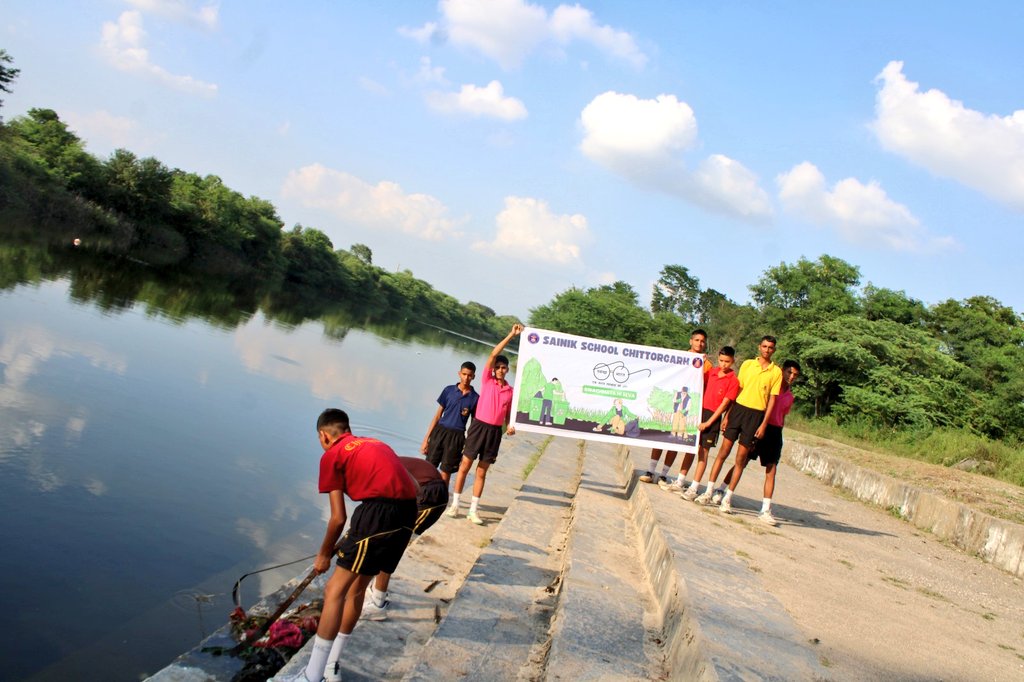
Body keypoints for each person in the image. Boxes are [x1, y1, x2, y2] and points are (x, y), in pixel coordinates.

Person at [275, 409, 418, 682]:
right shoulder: (376, 444)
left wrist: (323, 555)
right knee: (356, 590)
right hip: (407, 515)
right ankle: (332, 667)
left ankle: (311, 676)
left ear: (324, 436)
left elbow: (338, 517)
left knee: (334, 590)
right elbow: (415, 487)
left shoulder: (332, 455)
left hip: (377, 514)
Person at [695, 336, 782, 514]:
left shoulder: (776, 372)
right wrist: (727, 416)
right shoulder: (748, 365)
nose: (767, 350)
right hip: (738, 411)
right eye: (764, 346)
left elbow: (772, 400)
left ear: (774, 350)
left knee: (741, 459)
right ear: (759, 347)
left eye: (770, 347)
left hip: (756, 415)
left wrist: (764, 424)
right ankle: (708, 491)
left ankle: (727, 497)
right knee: (722, 453)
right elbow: (737, 390)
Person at [447, 323, 523, 525]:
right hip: (478, 427)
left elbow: (507, 413)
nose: (500, 370)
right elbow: (492, 355)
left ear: (507, 370)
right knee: (464, 466)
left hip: (494, 433)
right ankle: (455, 504)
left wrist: (509, 425)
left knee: (482, 471)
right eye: (497, 367)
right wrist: (511, 335)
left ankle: (473, 510)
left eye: (503, 367)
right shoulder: (487, 381)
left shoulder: (510, 390)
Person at [361, 455, 449, 620]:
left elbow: (378, 507)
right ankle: (377, 590)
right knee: (389, 543)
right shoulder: (381, 461)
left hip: (430, 495)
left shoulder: (377, 469)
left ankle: (377, 603)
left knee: (390, 546)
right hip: (429, 491)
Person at [713, 360, 800, 525]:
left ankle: (765, 509)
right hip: (759, 425)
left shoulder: (790, 396)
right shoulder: (769, 386)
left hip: (775, 432)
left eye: (795, 374)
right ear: (782, 371)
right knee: (742, 461)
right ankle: (721, 489)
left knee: (771, 469)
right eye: (789, 372)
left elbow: (782, 415)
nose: (791, 376)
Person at [641, 329, 709, 483]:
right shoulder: (679, 358)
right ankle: (651, 471)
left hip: (688, 405)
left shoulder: (707, 365)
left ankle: (664, 474)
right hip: (673, 400)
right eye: (697, 340)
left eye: (702, 341)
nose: (699, 343)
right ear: (690, 341)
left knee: (675, 439)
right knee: (662, 436)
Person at [675, 346, 739, 500]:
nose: (724, 364)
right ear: (718, 358)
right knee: (691, 448)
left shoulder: (734, 381)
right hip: (699, 411)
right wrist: (698, 363)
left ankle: (694, 487)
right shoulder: (711, 372)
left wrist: (709, 422)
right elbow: (695, 378)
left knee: (703, 453)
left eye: (727, 362)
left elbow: (724, 405)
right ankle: (679, 481)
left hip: (713, 417)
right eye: (721, 360)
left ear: (733, 361)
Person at [421, 362, 478, 485]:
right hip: (440, 432)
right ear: (459, 374)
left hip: (457, 437)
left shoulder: (475, 398)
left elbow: (473, 425)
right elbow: (437, 416)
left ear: (473, 377)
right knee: (429, 467)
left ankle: (442, 501)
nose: (466, 378)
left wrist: (467, 446)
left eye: (469, 375)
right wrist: (426, 439)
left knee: (445, 472)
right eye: (464, 374)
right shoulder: (448, 390)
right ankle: (422, 496)